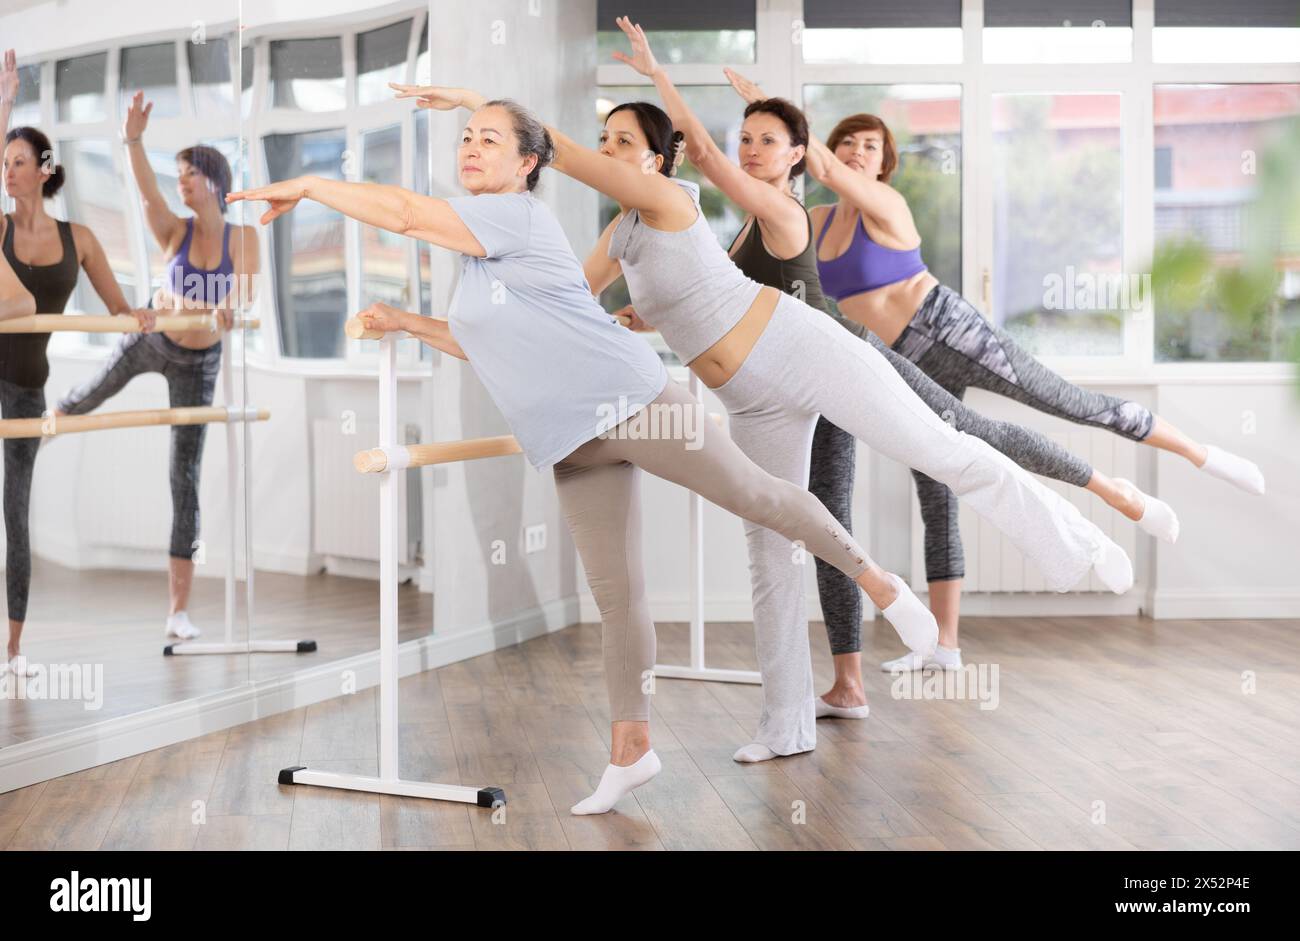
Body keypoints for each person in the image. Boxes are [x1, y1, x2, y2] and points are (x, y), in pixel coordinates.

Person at [389, 72, 1135, 767]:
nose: (612, 151)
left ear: (656, 160)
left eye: (625, 142)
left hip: (796, 345)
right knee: (771, 551)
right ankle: (785, 722)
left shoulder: (670, 199)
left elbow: (570, 157)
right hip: (747, 396)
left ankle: (1077, 542)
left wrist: (476, 107)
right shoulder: (618, 238)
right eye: (608, 138)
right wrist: (425, 323)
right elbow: (562, 313)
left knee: (942, 447)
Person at [229, 96, 933, 816]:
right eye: (466, 137)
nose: (471, 147)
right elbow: (485, 341)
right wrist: (404, 322)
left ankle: (879, 582)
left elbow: (406, 214)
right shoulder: (479, 250)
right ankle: (632, 750)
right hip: (570, 436)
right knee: (617, 594)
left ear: (528, 163)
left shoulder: (516, 217)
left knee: (755, 495)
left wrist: (312, 184)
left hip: (632, 402)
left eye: (490, 139)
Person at [607, 19, 1180, 727]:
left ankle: (1088, 527)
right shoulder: (741, 232)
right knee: (797, 525)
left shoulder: (785, 209)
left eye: (766, 141)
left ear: (796, 158)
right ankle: (809, 707)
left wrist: (660, 75)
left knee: (955, 444)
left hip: (839, 357)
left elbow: (706, 159)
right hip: (771, 392)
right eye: (745, 139)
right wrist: (650, 315)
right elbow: (717, 301)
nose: (748, 151)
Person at [719, 66, 1265, 683]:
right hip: (886, 356)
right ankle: (937, 648)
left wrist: (768, 109)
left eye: (869, 145)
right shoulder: (813, 220)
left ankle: (1186, 459)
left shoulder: (884, 202)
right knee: (940, 484)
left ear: (883, 161)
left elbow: (813, 169)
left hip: (948, 329)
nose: (853, 152)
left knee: (1061, 403)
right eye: (847, 141)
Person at [49, 90, 259, 643]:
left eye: (188, 176)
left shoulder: (246, 239)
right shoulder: (174, 231)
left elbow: (245, 300)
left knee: (183, 479)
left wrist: (221, 310)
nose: (181, 185)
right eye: (179, 176)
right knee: (90, 394)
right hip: (153, 341)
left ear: (213, 180)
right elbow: (144, 194)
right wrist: (133, 140)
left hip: (200, 364)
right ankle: (47, 424)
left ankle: (177, 611)